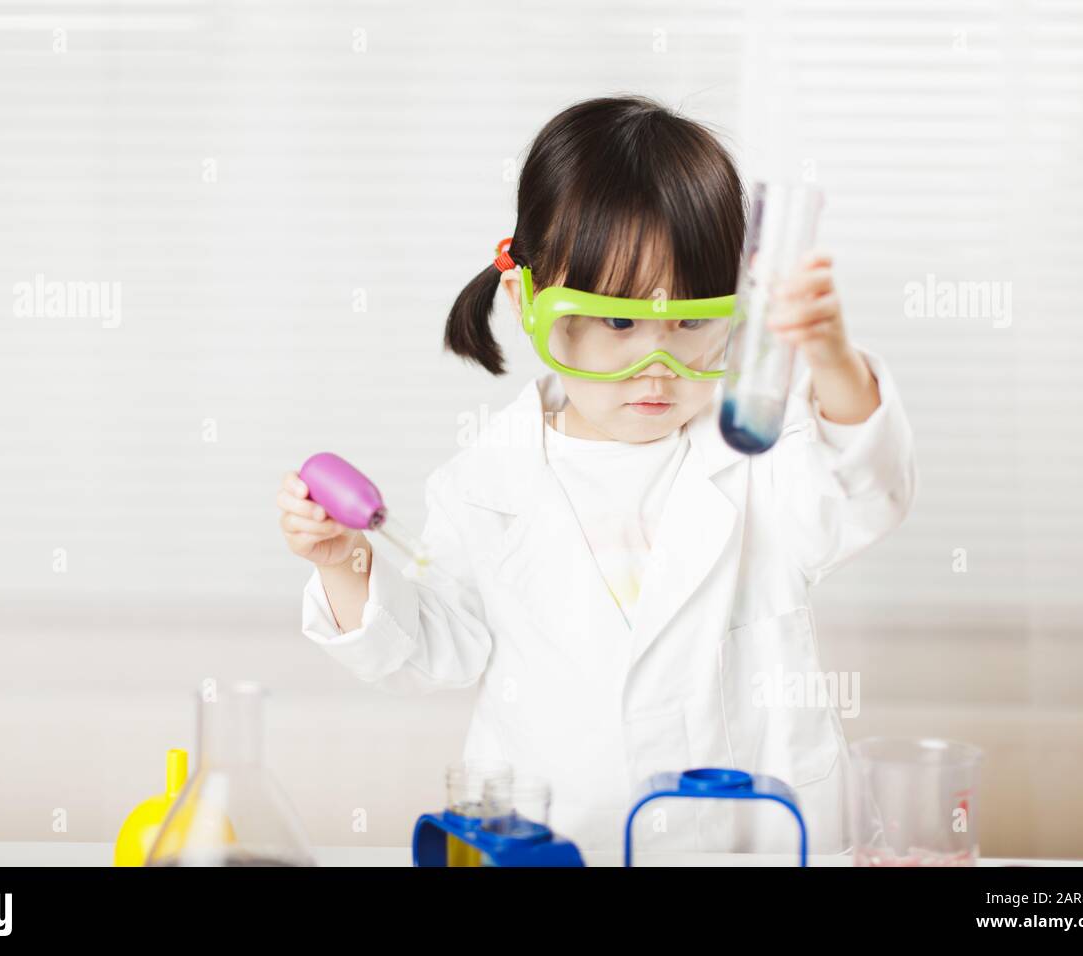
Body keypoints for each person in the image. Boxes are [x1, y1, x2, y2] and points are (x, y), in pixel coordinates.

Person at [278, 95, 916, 854]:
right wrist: (345, 564)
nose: (659, 365)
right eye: (618, 323)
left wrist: (832, 359)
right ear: (529, 302)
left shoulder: (759, 453)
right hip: (560, 839)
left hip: (749, 844)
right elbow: (433, 648)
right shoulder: (485, 482)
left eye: (690, 322)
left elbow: (864, 492)